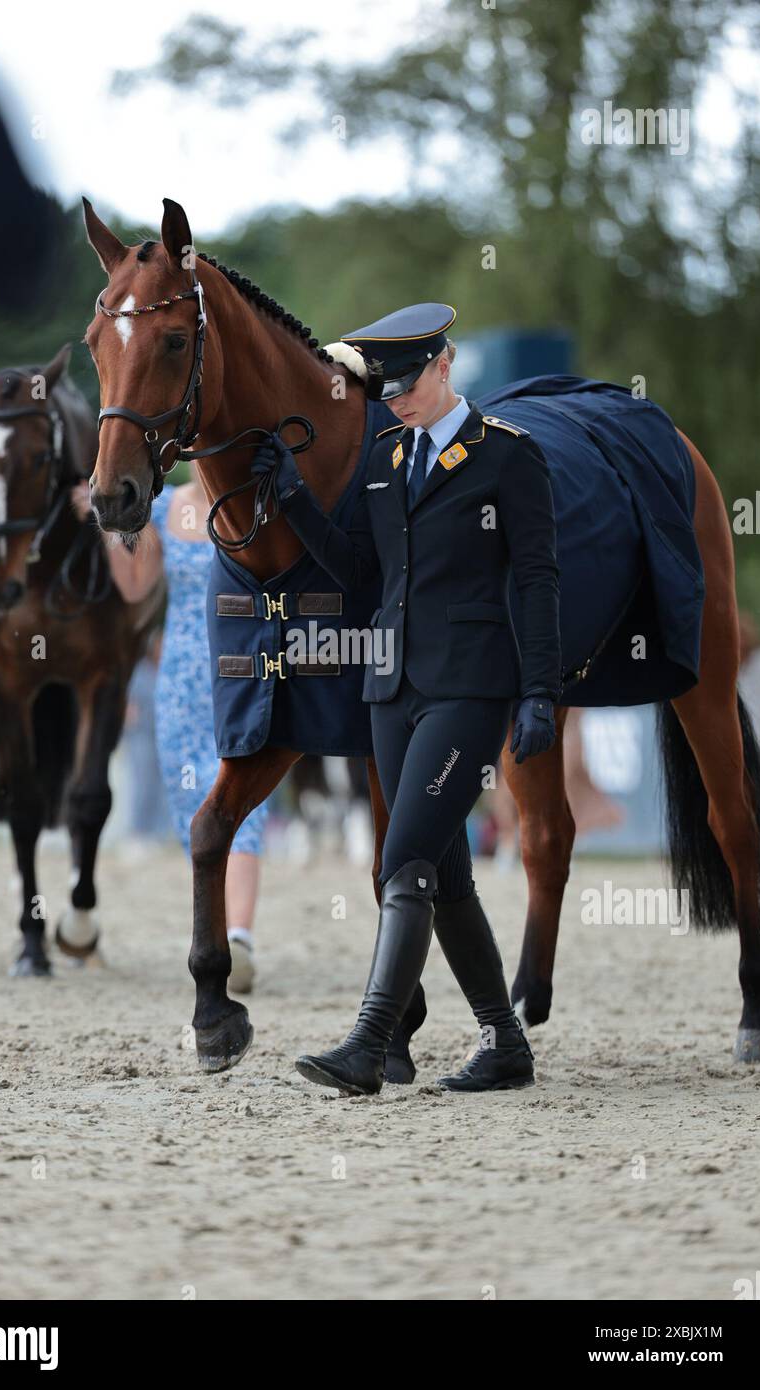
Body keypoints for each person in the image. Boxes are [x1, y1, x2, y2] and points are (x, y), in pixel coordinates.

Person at [251, 303, 561, 1094]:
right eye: (385, 385)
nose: (395, 397)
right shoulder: (386, 457)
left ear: (446, 363)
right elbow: (362, 570)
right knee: (443, 871)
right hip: (390, 686)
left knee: (404, 857)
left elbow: (536, 579)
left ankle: (370, 1041)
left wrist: (540, 691)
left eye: (409, 380)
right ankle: (505, 1044)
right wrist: (292, 500)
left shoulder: (507, 458)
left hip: (469, 686)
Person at [71, 471, 267, 993]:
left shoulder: (254, 497)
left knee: (246, 802)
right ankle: (217, 932)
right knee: (191, 808)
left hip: (246, 667)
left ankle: (240, 936)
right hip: (179, 678)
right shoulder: (163, 509)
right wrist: (112, 522)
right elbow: (135, 585)